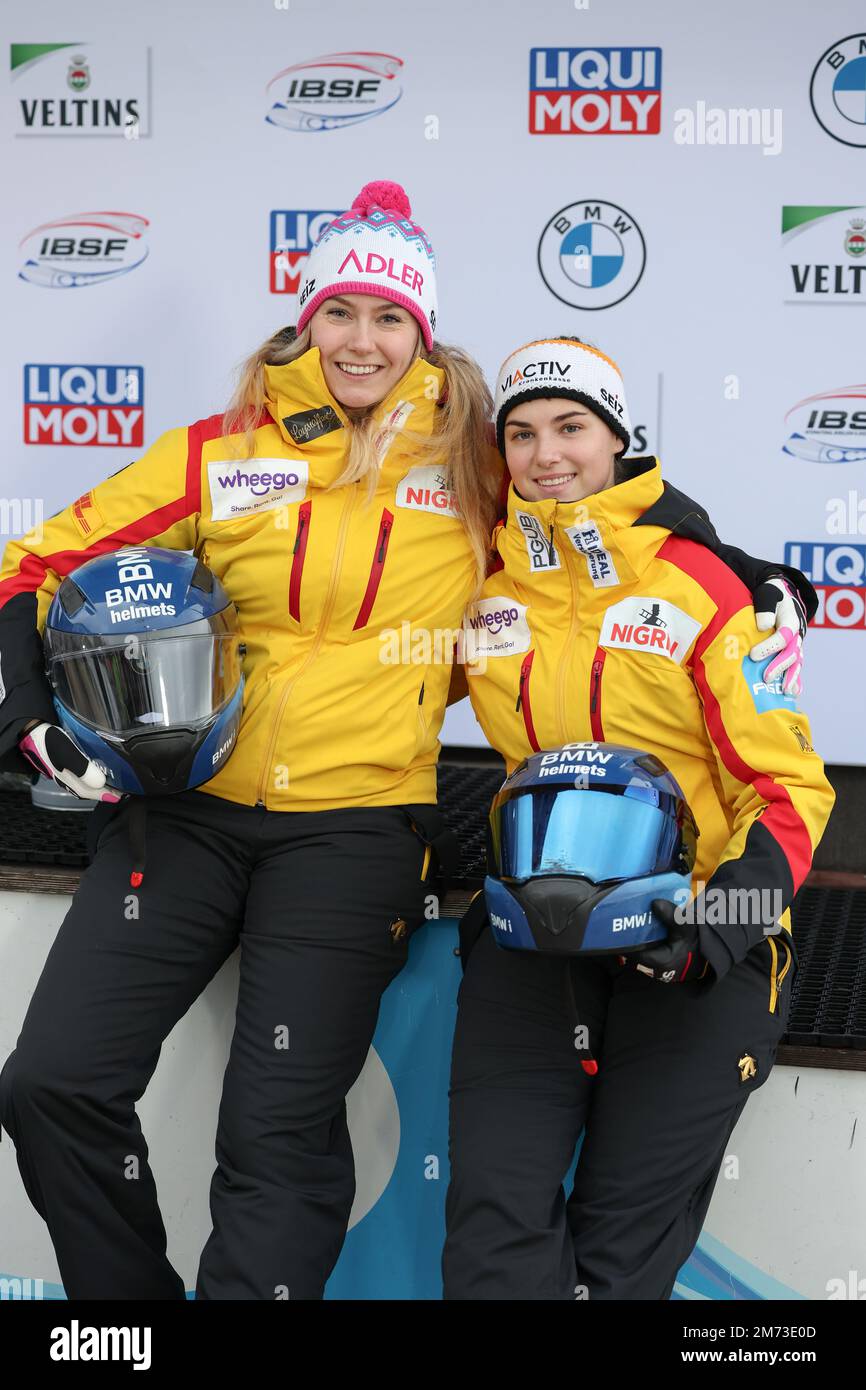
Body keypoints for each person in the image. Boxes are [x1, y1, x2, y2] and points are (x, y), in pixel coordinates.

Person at [0, 178, 809, 1301]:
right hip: (184, 814)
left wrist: (752, 573)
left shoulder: (473, 461)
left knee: (276, 1130)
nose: (362, 340)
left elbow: (599, 494)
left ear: (422, 332)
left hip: (353, 830)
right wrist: (28, 717)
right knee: (50, 1080)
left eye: (390, 318)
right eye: (340, 312)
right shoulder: (216, 455)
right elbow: (34, 566)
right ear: (305, 318)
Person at [442, 336, 835, 1301]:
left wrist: (715, 932)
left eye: (572, 427)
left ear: (618, 439)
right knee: (493, 1240)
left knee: (615, 1261)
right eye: (523, 433)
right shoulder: (480, 582)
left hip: (688, 947)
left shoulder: (703, 586)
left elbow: (790, 795)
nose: (546, 454)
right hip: (534, 936)